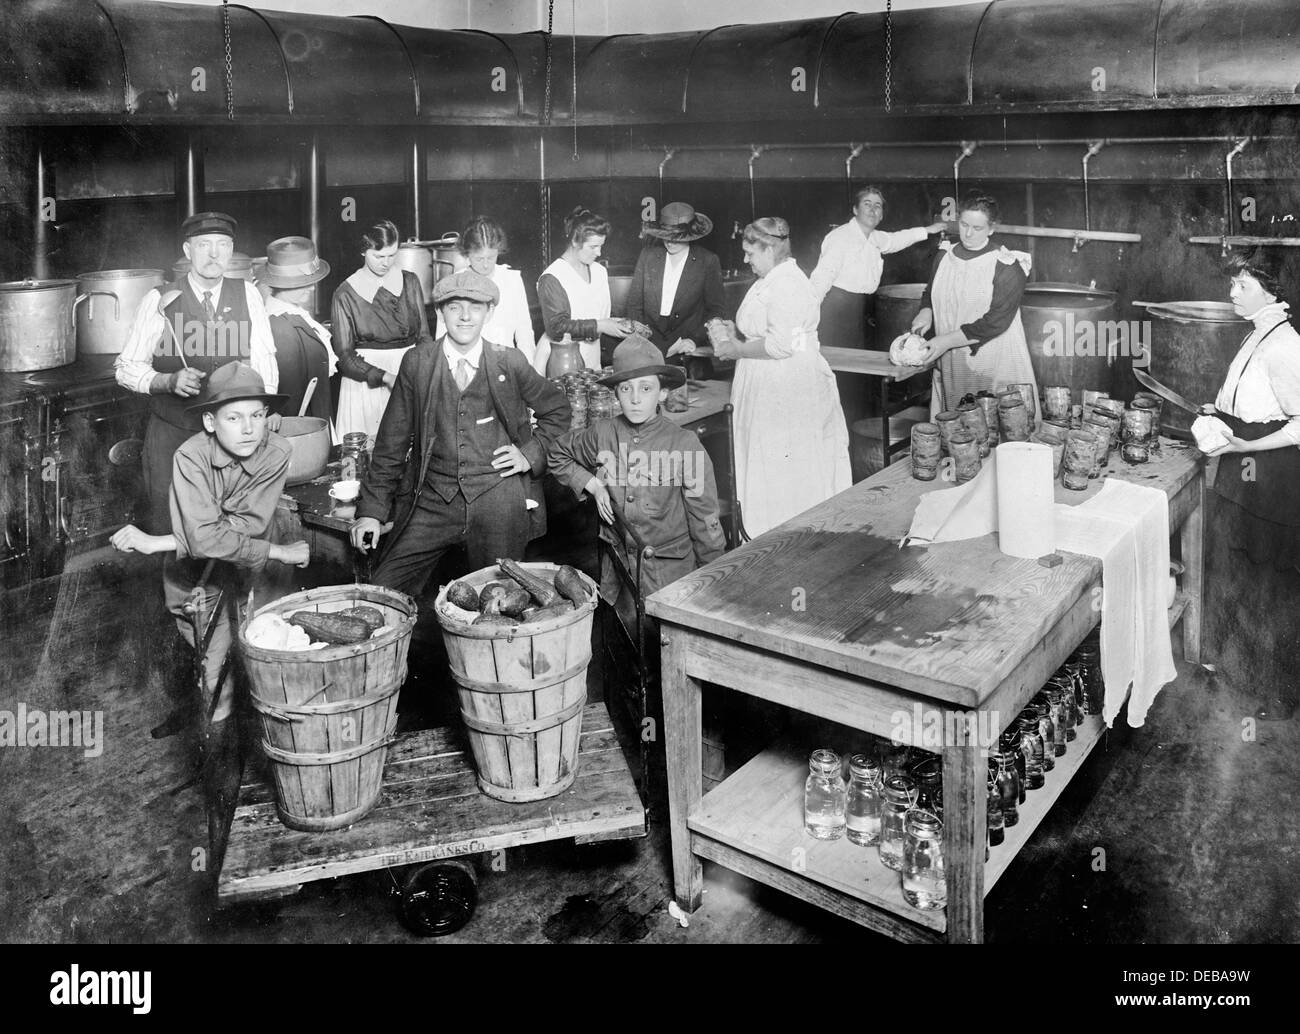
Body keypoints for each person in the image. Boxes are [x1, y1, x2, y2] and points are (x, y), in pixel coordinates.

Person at [110, 363, 309, 851]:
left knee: (275, 667)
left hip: (254, 579)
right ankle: (221, 806)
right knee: (215, 681)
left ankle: (286, 786)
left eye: (258, 416)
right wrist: (273, 549)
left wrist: (177, 538)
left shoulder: (277, 450)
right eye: (235, 417)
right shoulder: (189, 456)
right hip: (196, 584)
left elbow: (236, 526)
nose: (249, 429)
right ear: (209, 422)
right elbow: (204, 541)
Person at [349, 270, 570, 597]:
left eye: (476, 307)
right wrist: (370, 512)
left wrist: (529, 454)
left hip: (498, 499)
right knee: (383, 592)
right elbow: (390, 447)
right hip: (433, 499)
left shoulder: (509, 361)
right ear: (440, 313)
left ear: (489, 313)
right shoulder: (418, 363)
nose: (465, 316)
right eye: (454, 307)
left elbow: (558, 410)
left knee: (498, 601)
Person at [115, 211, 278, 534]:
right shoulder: (159, 299)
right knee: (173, 526)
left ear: (231, 250)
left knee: (232, 526)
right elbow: (125, 367)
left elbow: (264, 362)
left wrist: (265, 408)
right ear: (188, 251)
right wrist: (166, 381)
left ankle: (228, 587)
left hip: (229, 439)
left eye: (222, 245)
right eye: (204, 245)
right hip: (173, 435)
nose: (214, 254)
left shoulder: (247, 294)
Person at [549, 335, 726, 617]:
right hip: (619, 575)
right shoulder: (602, 434)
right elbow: (557, 454)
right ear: (615, 393)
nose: (634, 398)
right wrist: (593, 485)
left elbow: (705, 520)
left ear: (663, 393)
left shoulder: (684, 444)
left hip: (670, 575)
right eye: (625, 388)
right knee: (628, 642)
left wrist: (712, 582)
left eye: (646, 388)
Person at [1198, 250, 1300, 721]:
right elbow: (1244, 401)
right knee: (1237, 566)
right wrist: (1215, 417)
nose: (1231, 292)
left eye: (1242, 285)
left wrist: (1241, 447)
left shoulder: (1284, 344)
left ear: (1271, 291)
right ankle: (1240, 672)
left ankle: (1276, 693)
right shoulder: (1258, 333)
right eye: (1233, 284)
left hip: (1271, 475)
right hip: (1244, 464)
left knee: (1268, 580)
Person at [706, 217, 851, 538]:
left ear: (770, 249)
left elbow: (783, 345)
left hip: (783, 386)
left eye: (750, 253)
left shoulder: (788, 284)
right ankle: (763, 533)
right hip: (769, 380)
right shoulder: (771, 278)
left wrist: (737, 350)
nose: (745, 259)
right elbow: (776, 333)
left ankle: (782, 539)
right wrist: (737, 334)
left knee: (781, 468)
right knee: (768, 465)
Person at [910, 192, 1038, 416]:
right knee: (959, 427)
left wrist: (944, 342)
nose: (968, 234)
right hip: (954, 360)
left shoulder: (1006, 265)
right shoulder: (944, 256)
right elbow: (931, 292)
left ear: (991, 228)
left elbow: (995, 322)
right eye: (964, 224)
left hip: (993, 363)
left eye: (977, 228)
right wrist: (925, 312)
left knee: (994, 426)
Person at [331, 219, 435, 441]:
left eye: (392, 255)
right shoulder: (346, 293)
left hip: (409, 373)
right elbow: (345, 356)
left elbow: (424, 336)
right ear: (363, 251)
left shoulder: (410, 281)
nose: (386, 263)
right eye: (378, 256)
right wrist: (385, 377)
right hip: (366, 384)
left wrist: (421, 370)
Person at [809, 185, 947, 349]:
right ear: (855, 209)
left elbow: (897, 239)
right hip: (838, 310)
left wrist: (928, 230)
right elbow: (820, 281)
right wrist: (807, 319)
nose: (872, 209)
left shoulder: (875, 237)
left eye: (877, 205)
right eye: (867, 204)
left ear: (881, 215)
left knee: (860, 363)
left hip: (862, 309)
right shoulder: (840, 237)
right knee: (842, 366)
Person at [533, 207, 643, 374]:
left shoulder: (599, 271)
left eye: (601, 246)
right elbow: (556, 328)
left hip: (593, 359)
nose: (598, 252)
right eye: (593, 247)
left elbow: (601, 317)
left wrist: (624, 325)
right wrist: (602, 325)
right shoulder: (552, 277)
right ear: (575, 242)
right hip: (561, 362)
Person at [624, 202, 726, 362]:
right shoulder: (648, 256)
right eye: (665, 236)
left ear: (691, 236)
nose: (670, 242)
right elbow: (634, 304)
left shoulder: (707, 260)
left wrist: (694, 339)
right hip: (648, 341)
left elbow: (715, 309)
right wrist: (640, 337)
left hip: (686, 346)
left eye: (677, 238)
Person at [256, 235, 335, 433]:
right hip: (300, 427)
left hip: (315, 415)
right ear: (280, 283)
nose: (312, 287)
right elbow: (288, 394)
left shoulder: (294, 314)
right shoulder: (280, 325)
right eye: (303, 282)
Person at [435, 216, 536, 364]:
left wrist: (527, 370)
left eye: (491, 257)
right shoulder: (454, 284)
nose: (486, 265)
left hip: (507, 366)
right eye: (479, 259)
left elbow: (525, 334)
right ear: (467, 254)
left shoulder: (512, 280)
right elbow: (442, 340)